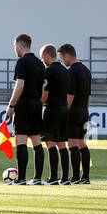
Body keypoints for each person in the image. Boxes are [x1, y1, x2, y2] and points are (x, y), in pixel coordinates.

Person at [4, 33, 45, 184]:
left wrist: (11, 105)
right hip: (36, 104)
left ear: (20, 46)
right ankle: (37, 178)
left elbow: (19, 85)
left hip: (24, 105)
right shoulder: (40, 63)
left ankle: (21, 178)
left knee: (21, 140)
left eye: (15, 46)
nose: (15, 49)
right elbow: (42, 86)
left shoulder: (21, 62)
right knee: (36, 141)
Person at [39, 43, 71, 185]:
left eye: (42, 57)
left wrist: (38, 105)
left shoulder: (48, 71)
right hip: (63, 109)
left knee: (50, 143)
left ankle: (53, 177)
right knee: (62, 144)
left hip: (51, 109)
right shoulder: (65, 71)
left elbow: (45, 93)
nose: (42, 60)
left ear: (47, 56)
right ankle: (64, 178)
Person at [62, 44, 91, 184]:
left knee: (72, 143)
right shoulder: (86, 70)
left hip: (73, 111)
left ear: (68, 55)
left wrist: (65, 111)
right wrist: (86, 110)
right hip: (84, 111)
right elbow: (89, 95)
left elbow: (70, 95)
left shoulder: (71, 71)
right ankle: (85, 177)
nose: (62, 60)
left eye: (62, 57)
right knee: (82, 143)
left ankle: (75, 177)